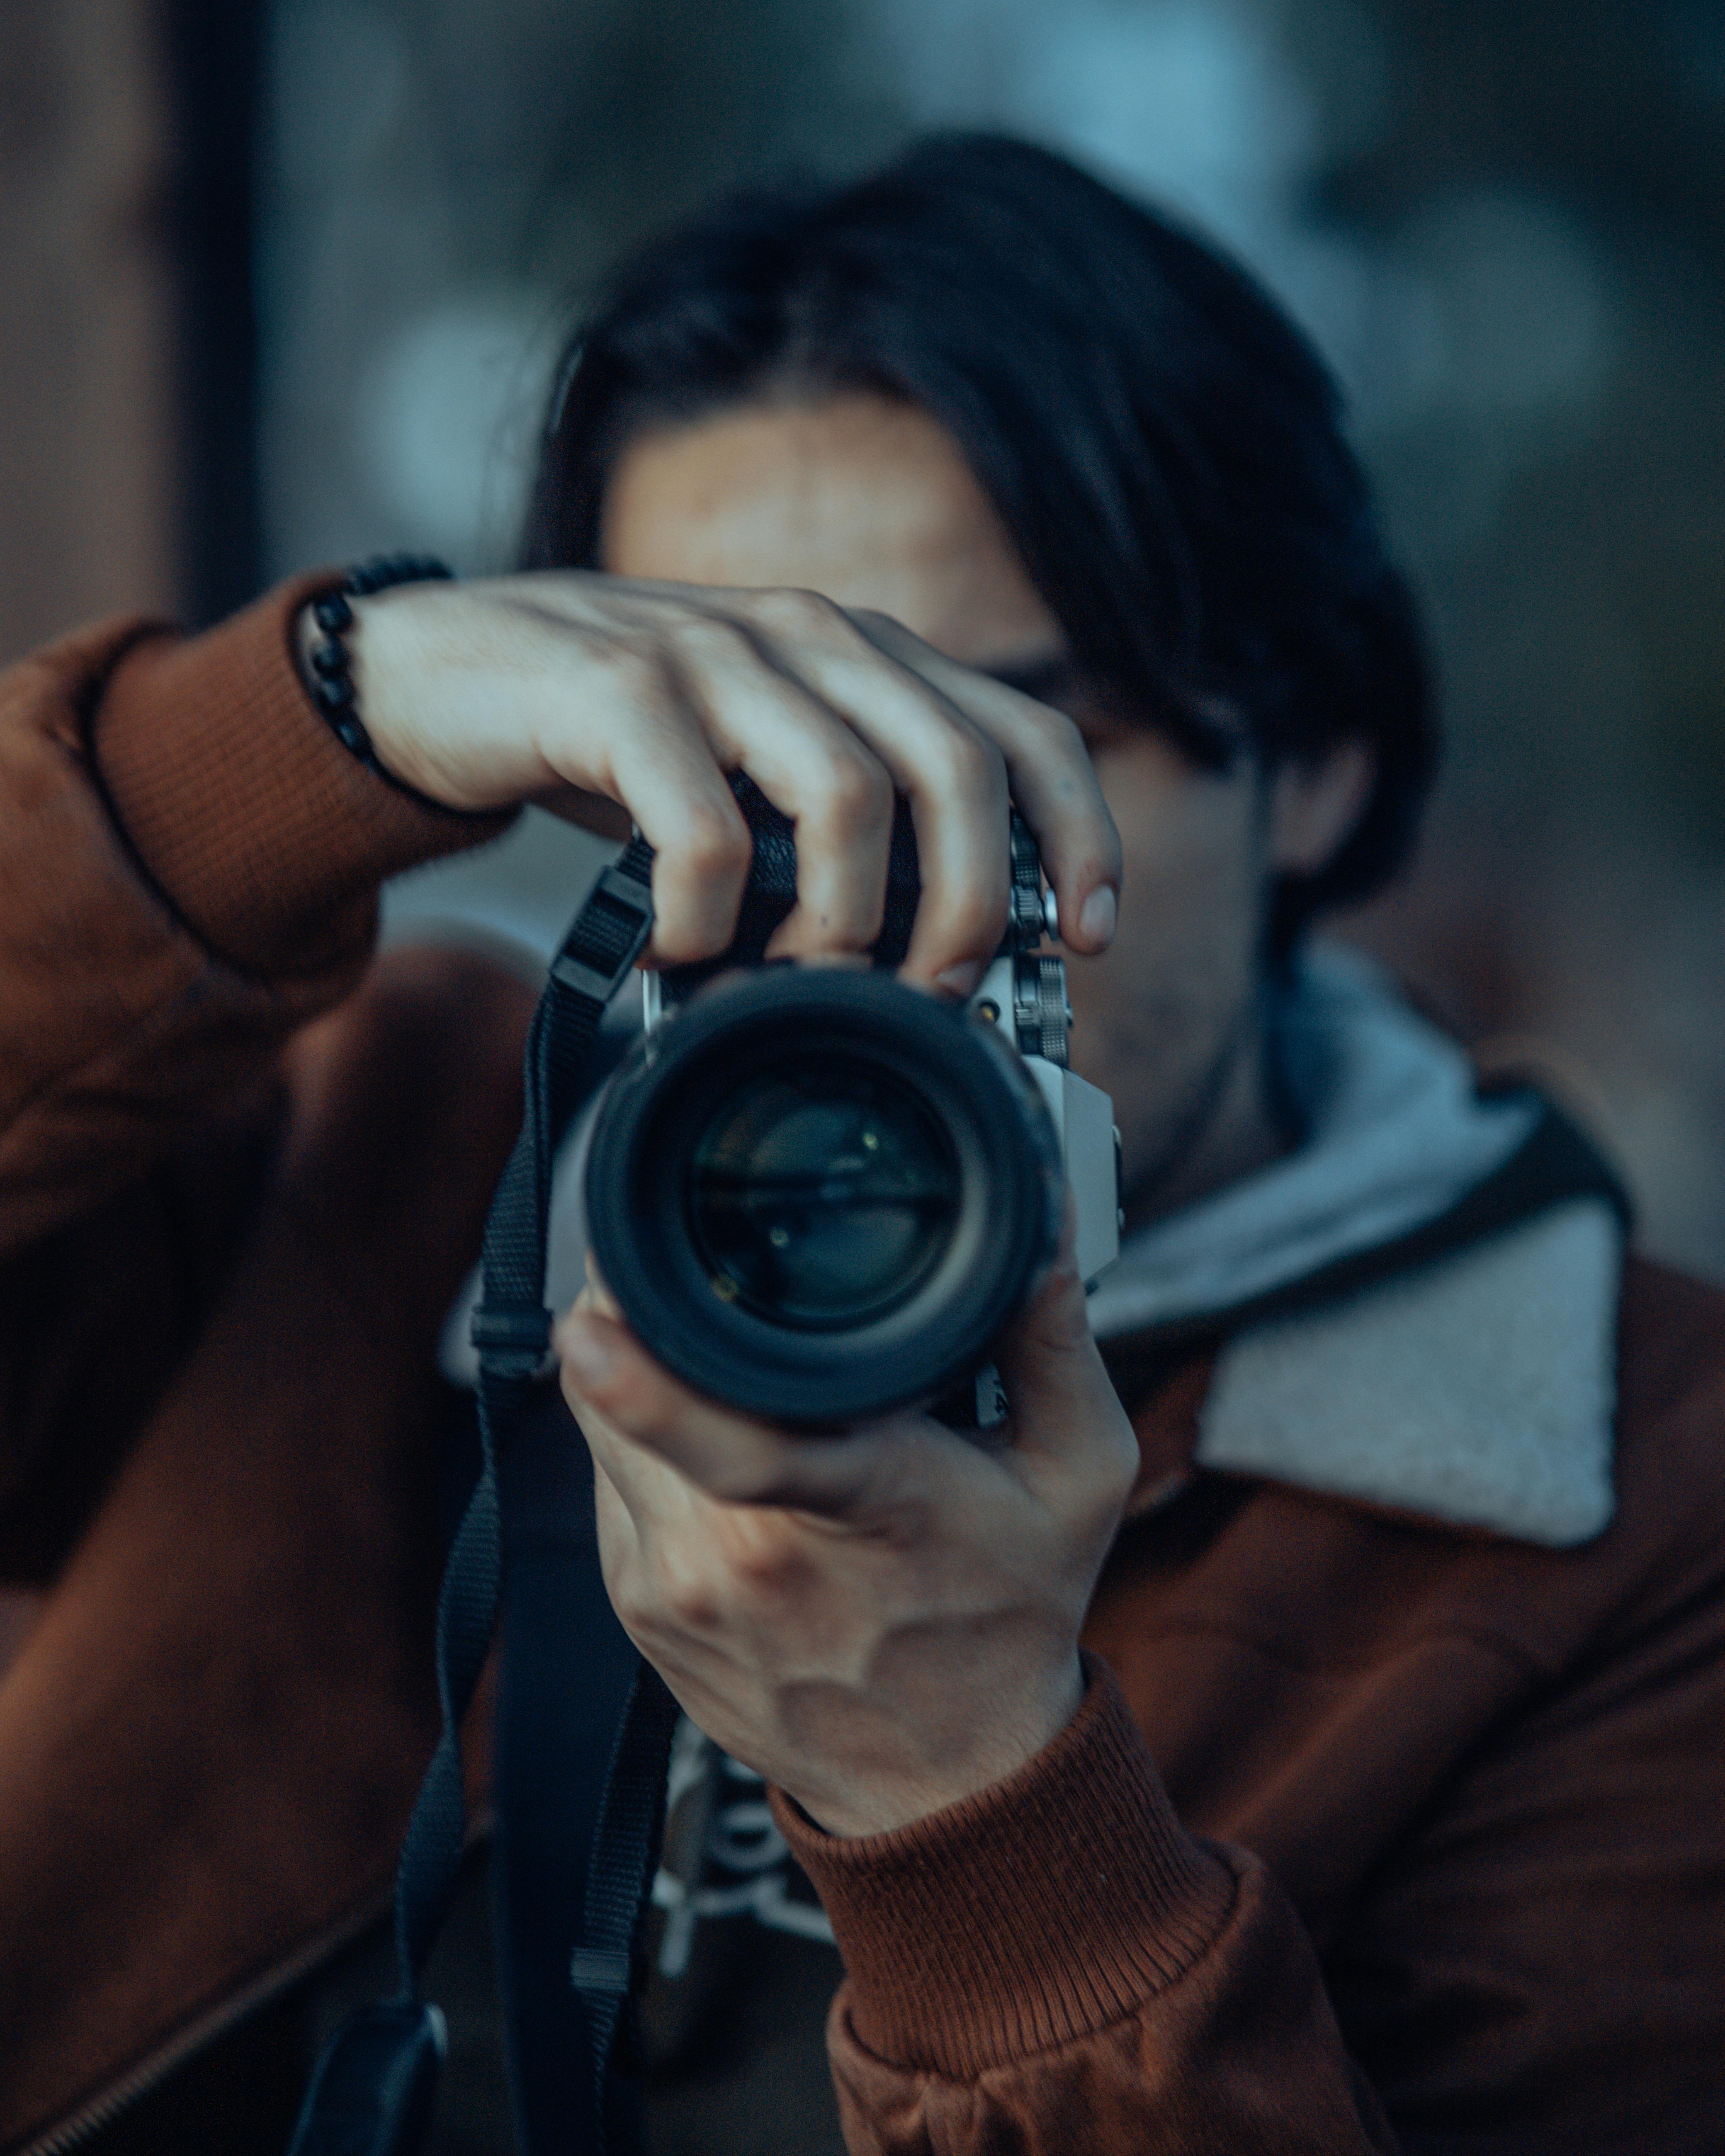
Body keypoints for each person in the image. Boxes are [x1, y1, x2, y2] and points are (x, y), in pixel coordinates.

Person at [1, 133, 1720, 2154]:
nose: (853, 876)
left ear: (1314, 755)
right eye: (739, 749)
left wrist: (983, 1814)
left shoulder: (1645, 1482)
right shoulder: (367, 1148)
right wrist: (332, 711)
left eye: (1002, 751)